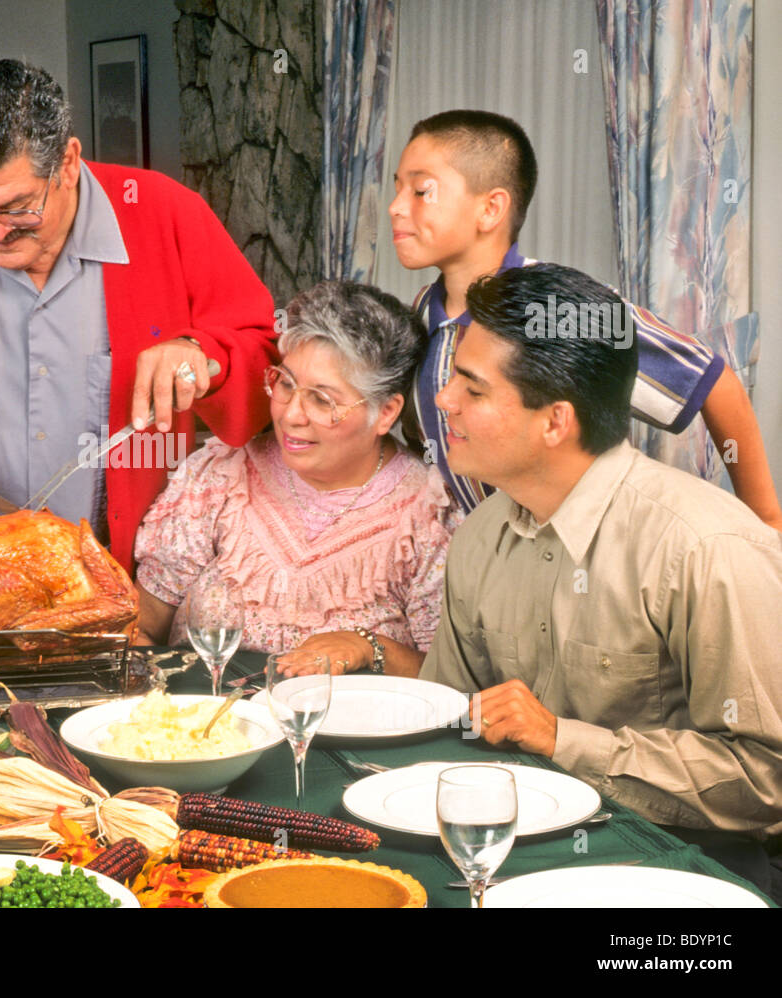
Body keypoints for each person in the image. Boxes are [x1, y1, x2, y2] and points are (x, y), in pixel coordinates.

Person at [420, 263, 782, 893]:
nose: (444, 400)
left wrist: (565, 741)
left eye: (472, 389)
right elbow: (452, 722)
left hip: (685, 873)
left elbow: (767, 779)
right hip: (514, 855)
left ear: (556, 422)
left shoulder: (705, 548)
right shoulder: (479, 536)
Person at [0, 59, 279, 573]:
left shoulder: (166, 213)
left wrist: (201, 355)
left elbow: (263, 360)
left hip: (127, 581)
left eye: (18, 208)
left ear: (69, 163)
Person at [388, 109, 782, 529]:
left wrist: (765, 520)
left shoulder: (558, 309)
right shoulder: (421, 311)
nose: (394, 207)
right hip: (484, 566)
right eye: (396, 189)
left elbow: (710, 382)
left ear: (491, 209)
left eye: (420, 191)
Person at [134, 281, 460, 673]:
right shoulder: (220, 477)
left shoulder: (427, 515)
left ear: (387, 413)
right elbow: (142, 630)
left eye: (322, 400)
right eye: (285, 384)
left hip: (347, 733)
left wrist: (368, 647)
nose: (291, 415)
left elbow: (448, 681)